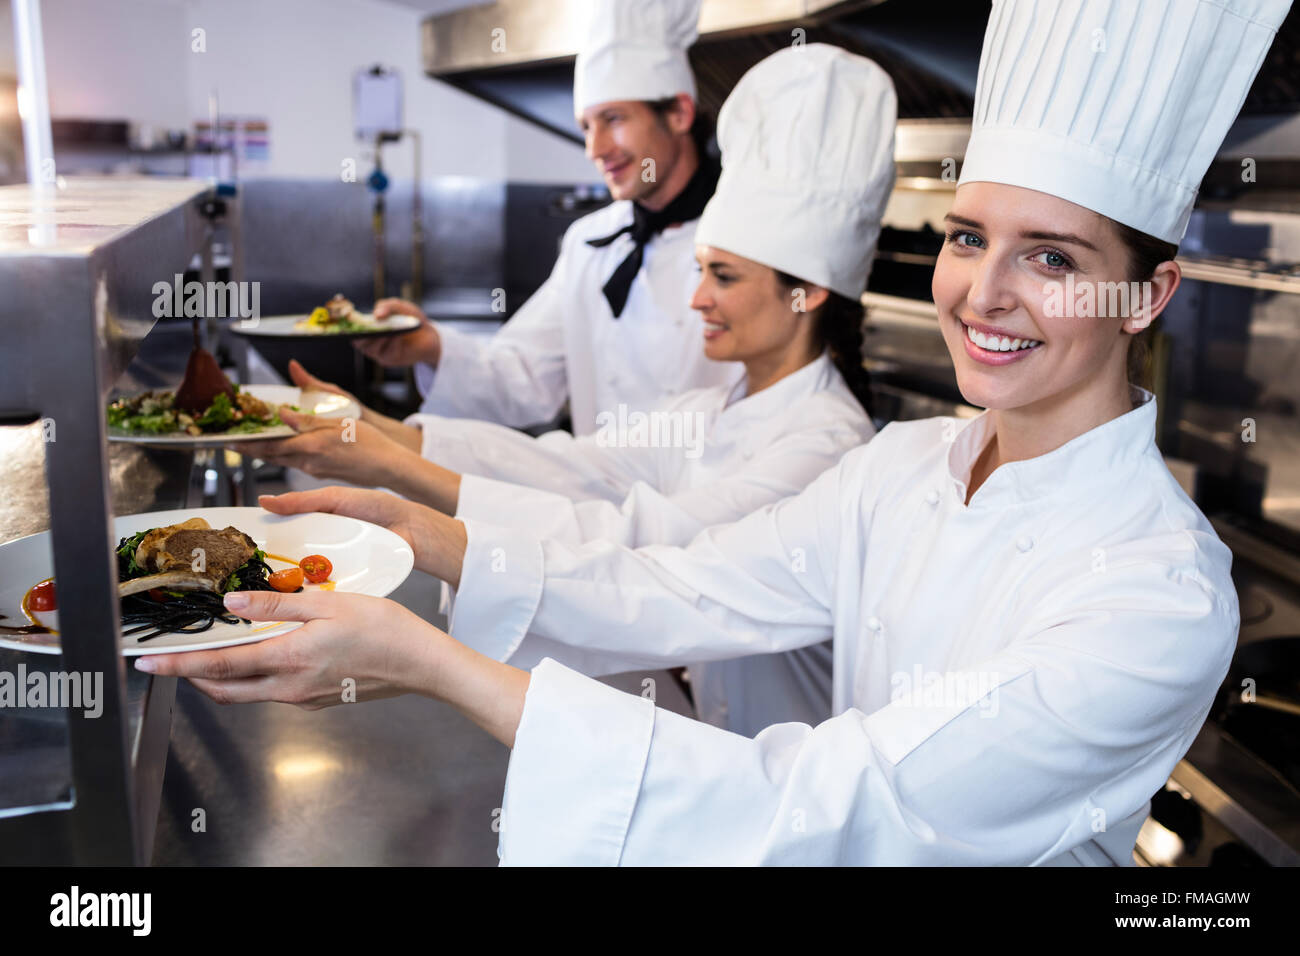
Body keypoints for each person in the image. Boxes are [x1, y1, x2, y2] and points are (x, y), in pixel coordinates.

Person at [140, 0, 1289, 865]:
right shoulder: (904, 468)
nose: (981, 292)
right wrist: (419, 520)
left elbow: (840, 804)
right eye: (967, 236)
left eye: (1051, 256)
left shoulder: (1156, 596)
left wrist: (437, 661)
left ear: (1146, 296)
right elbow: (678, 579)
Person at [237, 45, 896, 735]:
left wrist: (415, 505)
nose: (698, 297)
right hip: (706, 723)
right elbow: (576, 470)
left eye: (722, 277)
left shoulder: (828, 447)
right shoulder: (713, 409)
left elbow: (650, 547)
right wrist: (375, 434)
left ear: (807, 292)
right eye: (702, 270)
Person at [349, 0, 738, 435]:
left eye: (613, 119)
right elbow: (524, 377)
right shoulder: (590, 242)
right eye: (587, 127)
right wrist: (431, 347)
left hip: (722, 499)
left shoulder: (745, 238)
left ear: (680, 113)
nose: (596, 148)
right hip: (602, 497)